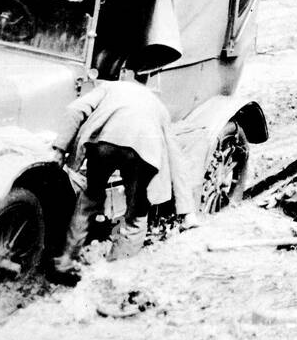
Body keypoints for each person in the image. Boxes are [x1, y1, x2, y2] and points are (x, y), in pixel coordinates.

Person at [50, 78, 196, 273]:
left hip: (105, 143)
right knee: (136, 215)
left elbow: (75, 110)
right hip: (142, 152)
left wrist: (60, 150)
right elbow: (175, 155)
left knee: (89, 200)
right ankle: (116, 271)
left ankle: (65, 260)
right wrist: (187, 210)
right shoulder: (158, 104)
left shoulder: (110, 86)